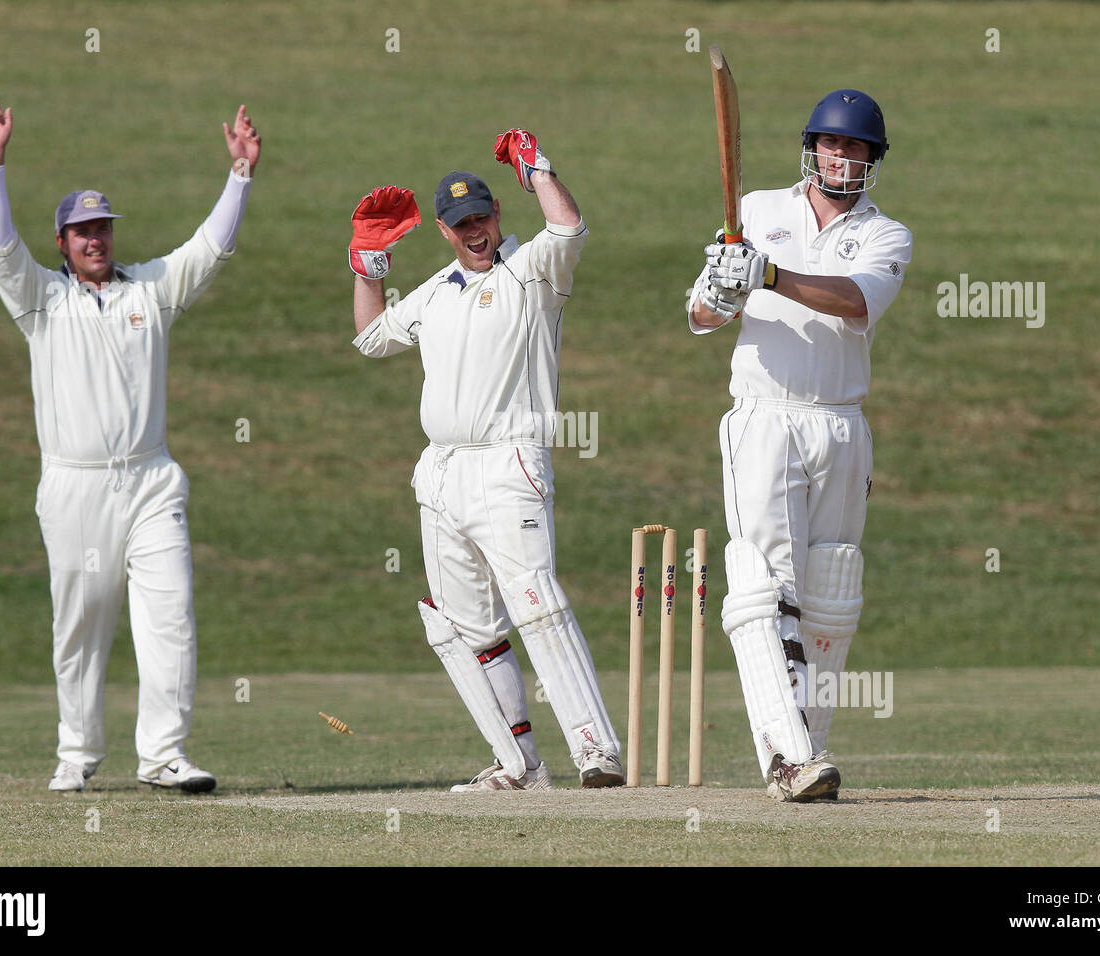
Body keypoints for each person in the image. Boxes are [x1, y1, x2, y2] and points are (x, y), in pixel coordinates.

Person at [0, 94, 262, 793]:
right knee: (81, 625)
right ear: (63, 243)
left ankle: (164, 754)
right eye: (82, 231)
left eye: (102, 228)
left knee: (171, 617)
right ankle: (76, 751)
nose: (96, 239)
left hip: (151, 480)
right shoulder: (40, 299)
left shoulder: (152, 291)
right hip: (74, 487)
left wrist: (241, 175)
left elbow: (211, 248)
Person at [349, 129, 623, 791]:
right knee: (469, 623)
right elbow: (369, 337)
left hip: (508, 463)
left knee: (536, 602)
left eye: (482, 219)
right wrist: (365, 265)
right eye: (460, 224)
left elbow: (572, 230)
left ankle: (597, 752)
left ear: (498, 216)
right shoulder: (436, 291)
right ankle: (520, 765)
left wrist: (538, 169)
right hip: (441, 473)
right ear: (444, 230)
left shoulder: (531, 270)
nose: (474, 231)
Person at [686, 90, 913, 801]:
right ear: (811, 147)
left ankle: (808, 750)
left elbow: (854, 301)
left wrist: (770, 274)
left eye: (857, 149)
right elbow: (698, 313)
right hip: (764, 416)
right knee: (764, 584)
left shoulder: (887, 235)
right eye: (832, 144)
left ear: (873, 161)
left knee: (831, 590)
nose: (842, 158)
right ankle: (787, 758)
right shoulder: (756, 209)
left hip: (841, 422)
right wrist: (723, 292)